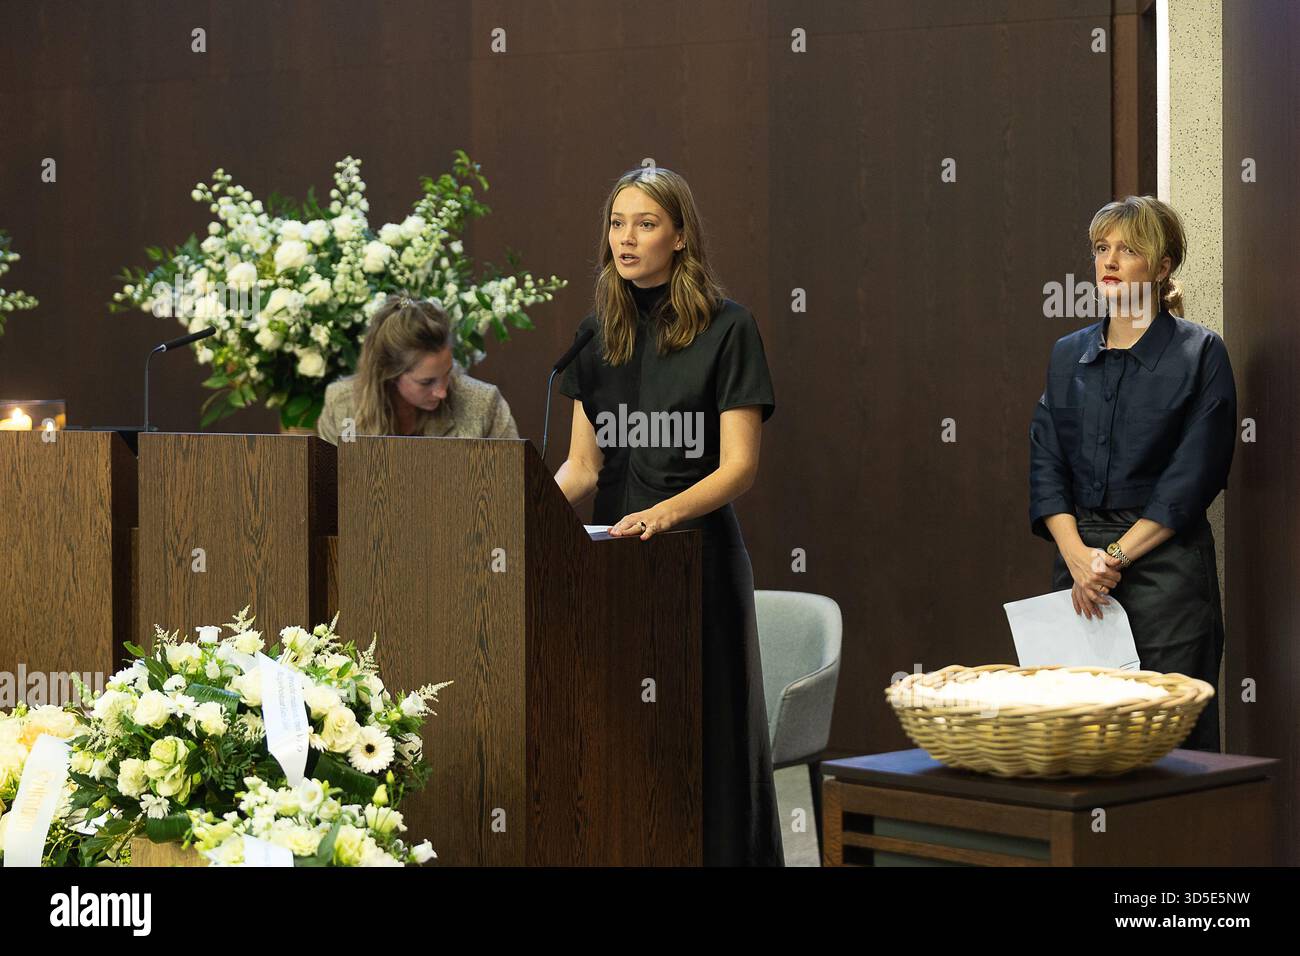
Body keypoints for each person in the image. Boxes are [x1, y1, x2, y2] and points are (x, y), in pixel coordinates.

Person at [553, 167, 783, 866]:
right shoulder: (596, 335)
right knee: (628, 736)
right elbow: (583, 470)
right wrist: (517, 513)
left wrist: (666, 514)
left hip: (696, 562)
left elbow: (740, 465)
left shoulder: (728, 327)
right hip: (616, 565)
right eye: (618, 223)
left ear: (680, 237)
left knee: (704, 738)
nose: (627, 237)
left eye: (646, 223)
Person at [1029, 195, 1237, 752]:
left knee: (1172, 747)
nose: (1110, 261)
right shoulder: (1066, 355)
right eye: (1102, 249)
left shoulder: (1201, 354)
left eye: (1128, 249)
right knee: (1080, 743)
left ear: (1163, 266)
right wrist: (1078, 557)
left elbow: (1192, 480)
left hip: (1164, 570)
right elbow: (1046, 463)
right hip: (1078, 572)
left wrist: (1114, 558)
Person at [315, 293, 519, 445]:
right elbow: (329, 491)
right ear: (389, 374)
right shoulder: (342, 407)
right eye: (426, 382)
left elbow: (514, 488)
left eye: (447, 373)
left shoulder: (483, 404)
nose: (442, 391)